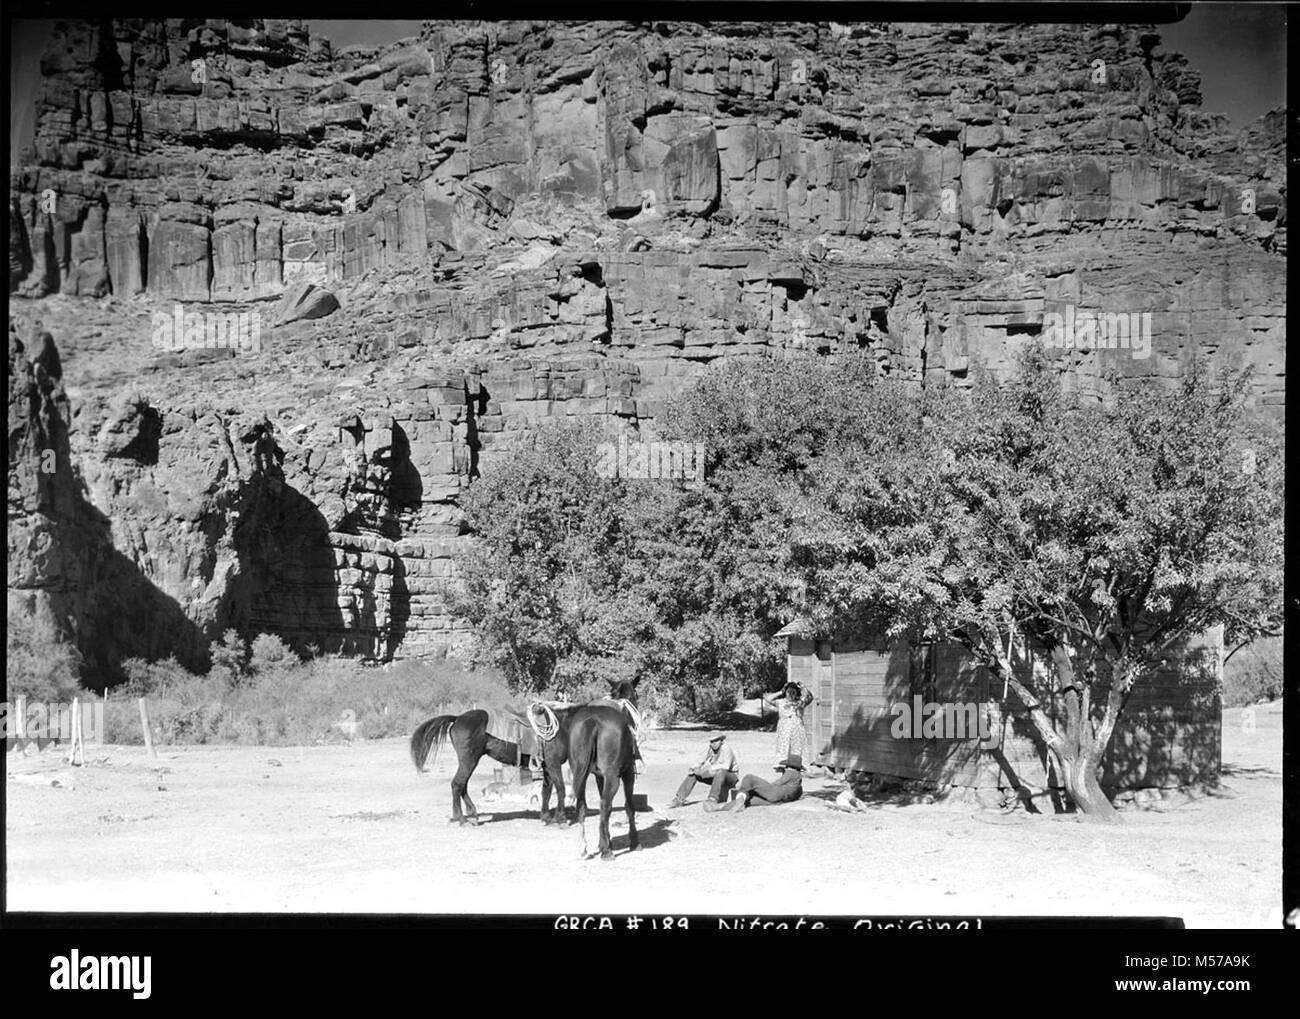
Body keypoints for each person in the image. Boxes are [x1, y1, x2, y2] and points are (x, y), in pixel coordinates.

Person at [711, 754, 806, 812]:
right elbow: (793, 793)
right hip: (778, 801)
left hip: (775, 794)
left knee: (749, 778)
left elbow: (776, 784)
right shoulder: (798, 781)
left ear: (790, 766)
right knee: (747, 801)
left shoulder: (791, 773)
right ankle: (723, 806)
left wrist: (760, 788)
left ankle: (721, 805)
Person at [669, 734, 738, 807]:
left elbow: (726, 766)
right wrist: (694, 767)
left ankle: (712, 799)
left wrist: (711, 768)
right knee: (694, 773)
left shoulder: (726, 749)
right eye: (711, 741)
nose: (713, 743)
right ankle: (679, 799)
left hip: (731, 777)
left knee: (721, 772)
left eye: (716, 741)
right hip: (716, 776)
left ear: (721, 741)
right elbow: (702, 760)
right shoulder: (711, 749)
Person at [764, 681, 814, 769]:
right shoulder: (781, 702)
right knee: (784, 750)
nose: (791, 694)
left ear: (796, 693)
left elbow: (810, 697)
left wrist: (803, 688)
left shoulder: (799, 703)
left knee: (797, 749)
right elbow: (768, 698)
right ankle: (783, 768)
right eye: (789, 692)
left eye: (793, 692)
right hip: (784, 730)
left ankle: (797, 768)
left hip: (797, 731)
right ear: (785, 693)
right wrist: (781, 691)